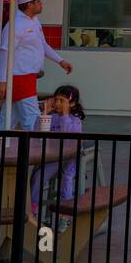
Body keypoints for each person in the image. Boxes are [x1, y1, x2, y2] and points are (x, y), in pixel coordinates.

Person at [0, 0, 73, 131]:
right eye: (38, 1)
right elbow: (4, 51)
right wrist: (2, 80)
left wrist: (60, 61)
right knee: (31, 117)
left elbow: (42, 44)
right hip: (20, 77)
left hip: (25, 76)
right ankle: (35, 148)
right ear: (29, 5)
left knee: (8, 118)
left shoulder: (34, 20)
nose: (41, 4)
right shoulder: (16, 24)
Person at [31, 85, 85, 213]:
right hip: (56, 156)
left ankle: (66, 210)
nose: (57, 103)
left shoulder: (75, 120)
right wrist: (45, 114)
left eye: (62, 101)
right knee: (39, 175)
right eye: (56, 100)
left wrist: (65, 115)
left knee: (67, 177)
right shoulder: (52, 117)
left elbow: (67, 136)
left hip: (72, 156)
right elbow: (36, 132)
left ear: (72, 104)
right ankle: (33, 205)